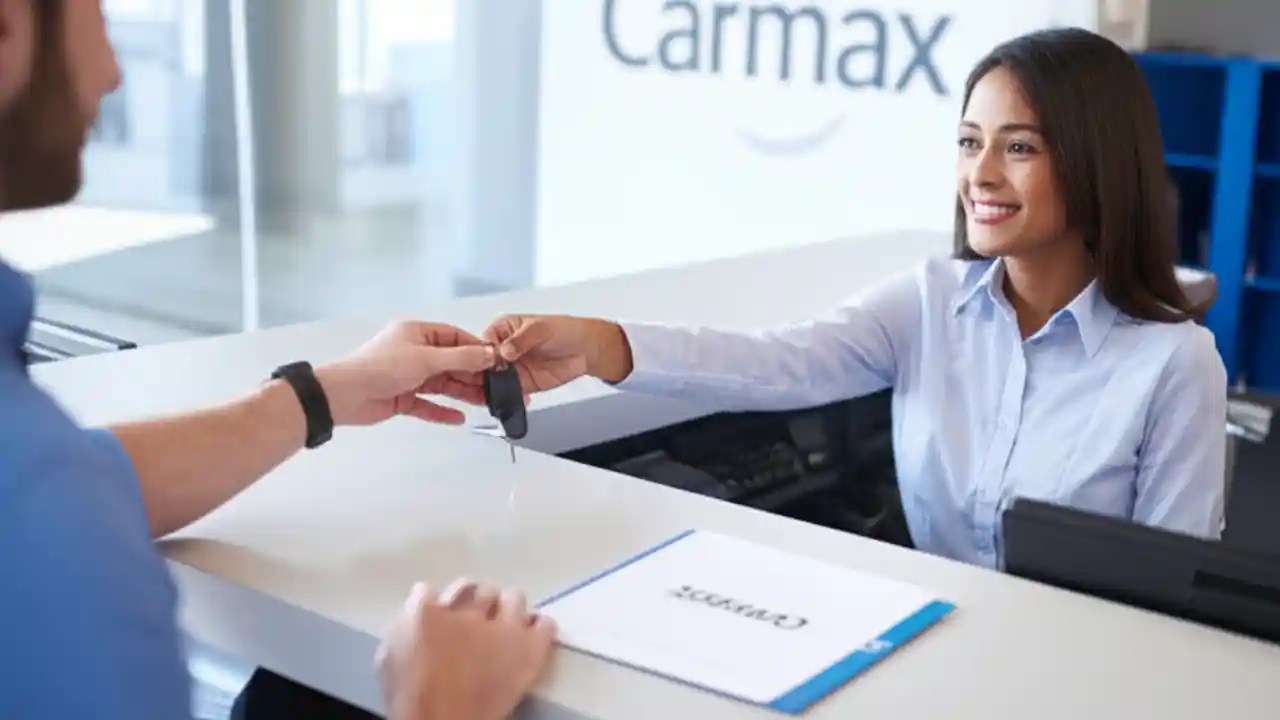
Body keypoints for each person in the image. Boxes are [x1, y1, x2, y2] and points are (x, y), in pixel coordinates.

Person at [482, 28, 1228, 570]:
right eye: (970, 143)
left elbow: (1172, 605)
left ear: (1096, 162)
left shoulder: (1173, 364)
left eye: (1020, 147)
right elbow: (777, 364)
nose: (982, 175)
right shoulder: (931, 300)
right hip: (937, 644)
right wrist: (595, 345)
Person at [0, 2, 554, 718]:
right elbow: (50, 500)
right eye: (95, 11)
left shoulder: (40, 485)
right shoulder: (49, 537)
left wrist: (318, 396)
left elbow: (83, 480)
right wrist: (438, 704)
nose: (110, 73)